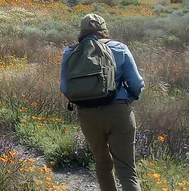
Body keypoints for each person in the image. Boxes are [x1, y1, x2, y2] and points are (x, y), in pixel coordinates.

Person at [60, 13, 145, 191]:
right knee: (127, 170)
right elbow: (137, 83)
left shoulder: (70, 52)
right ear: (104, 29)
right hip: (119, 112)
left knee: (102, 163)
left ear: (82, 31)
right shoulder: (119, 48)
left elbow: (65, 88)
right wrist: (129, 98)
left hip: (88, 115)